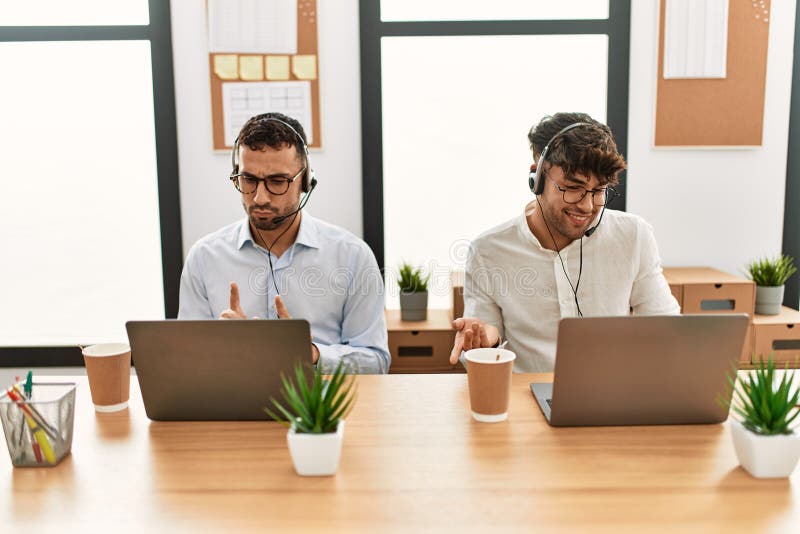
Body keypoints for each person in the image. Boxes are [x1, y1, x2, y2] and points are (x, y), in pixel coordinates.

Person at [449, 112, 680, 372]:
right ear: (536, 179)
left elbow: (666, 329)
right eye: (573, 188)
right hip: (526, 400)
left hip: (612, 400)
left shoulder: (634, 236)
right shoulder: (488, 251)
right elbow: (480, 347)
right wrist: (485, 343)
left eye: (599, 190)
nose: (587, 205)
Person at [179, 112, 390, 374]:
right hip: (232, 407)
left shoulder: (353, 257)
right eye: (249, 180)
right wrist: (225, 348)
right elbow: (186, 360)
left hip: (320, 410)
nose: (259, 198)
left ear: (305, 181)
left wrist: (311, 354)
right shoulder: (204, 257)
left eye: (277, 181)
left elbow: (376, 362)